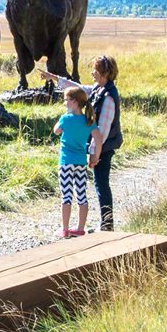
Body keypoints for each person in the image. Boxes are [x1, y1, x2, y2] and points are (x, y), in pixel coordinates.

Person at [41, 55, 123, 231]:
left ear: (104, 73)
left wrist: (94, 154)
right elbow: (78, 90)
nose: (92, 73)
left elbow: (102, 131)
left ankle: (107, 225)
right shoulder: (99, 89)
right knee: (97, 185)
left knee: (101, 185)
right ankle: (105, 224)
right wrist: (54, 78)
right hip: (97, 149)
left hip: (103, 149)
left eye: (95, 70)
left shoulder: (108, 97)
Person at [52, 86, 103, 238]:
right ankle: (80, 228)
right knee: (81, 194)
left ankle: (65, 229)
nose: (65, 103)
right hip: (80, 162)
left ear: (74, 102)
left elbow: (56, 131)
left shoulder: (65, 119)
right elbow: (98, 139)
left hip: (66, 162)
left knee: (66, 196)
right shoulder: (88, 120)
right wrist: (95, 156)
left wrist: (63, 119)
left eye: (66, 100)